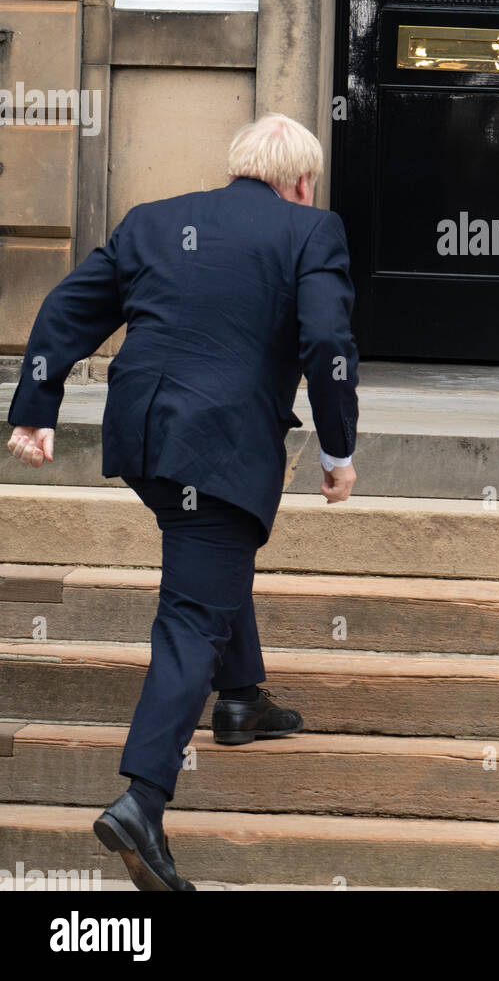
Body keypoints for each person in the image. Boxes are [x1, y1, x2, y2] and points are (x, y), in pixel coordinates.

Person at [6, 112, 359, 891]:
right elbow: (328, 345)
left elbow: (70, 307)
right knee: (193, 610)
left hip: (142, 436)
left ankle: (240, 698)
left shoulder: (155, 220)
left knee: (212, 543)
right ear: (301, 181)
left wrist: (35, 406)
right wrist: (338, 452)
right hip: (218, 442)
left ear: (238, 167)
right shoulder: (311, 229)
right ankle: (142, 798)